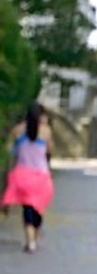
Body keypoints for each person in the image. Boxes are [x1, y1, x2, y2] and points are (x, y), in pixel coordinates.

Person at [3, 102, 55, 253]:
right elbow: (49, 150)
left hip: (22, 175)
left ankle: (30, 242)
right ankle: (36, 231)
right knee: (37, 207)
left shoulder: (17, 130)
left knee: (27, 208)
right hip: (41, 176)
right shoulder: (46, 131)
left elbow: (10, 150)